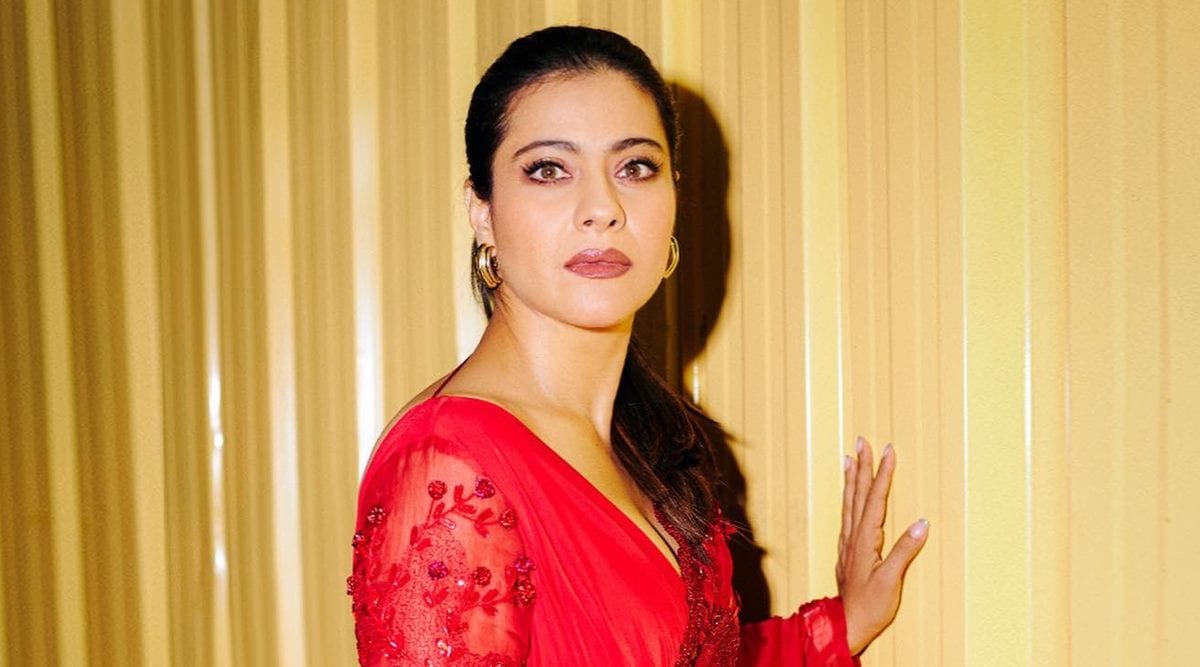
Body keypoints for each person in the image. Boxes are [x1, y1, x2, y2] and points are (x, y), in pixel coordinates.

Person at [347, 26, 928, 666]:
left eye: (634, 167)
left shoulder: (647, 437)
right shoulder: (447, 463)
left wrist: (841, 625)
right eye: (549, 170)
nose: (603, 208)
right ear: (481, 210)